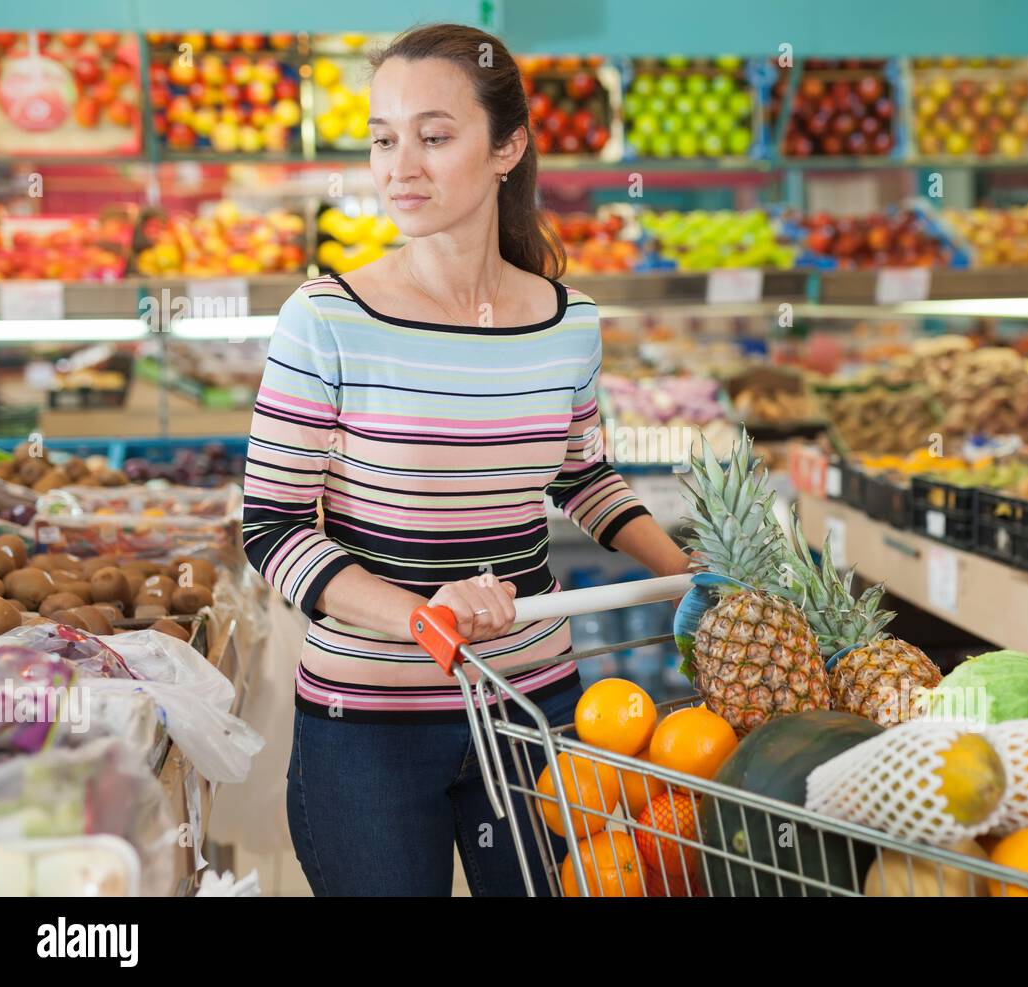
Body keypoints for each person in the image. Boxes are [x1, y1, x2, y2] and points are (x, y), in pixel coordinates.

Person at [242, 22, 690, 896]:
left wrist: (688, 573)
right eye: (382, 138)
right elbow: (273, 529)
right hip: (367, 718)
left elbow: (580, 473)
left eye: (435, 136)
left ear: (508, 147)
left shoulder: (569, 320)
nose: (399, 167)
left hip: (534, 709)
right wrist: (424, 616)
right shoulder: (325, 319)